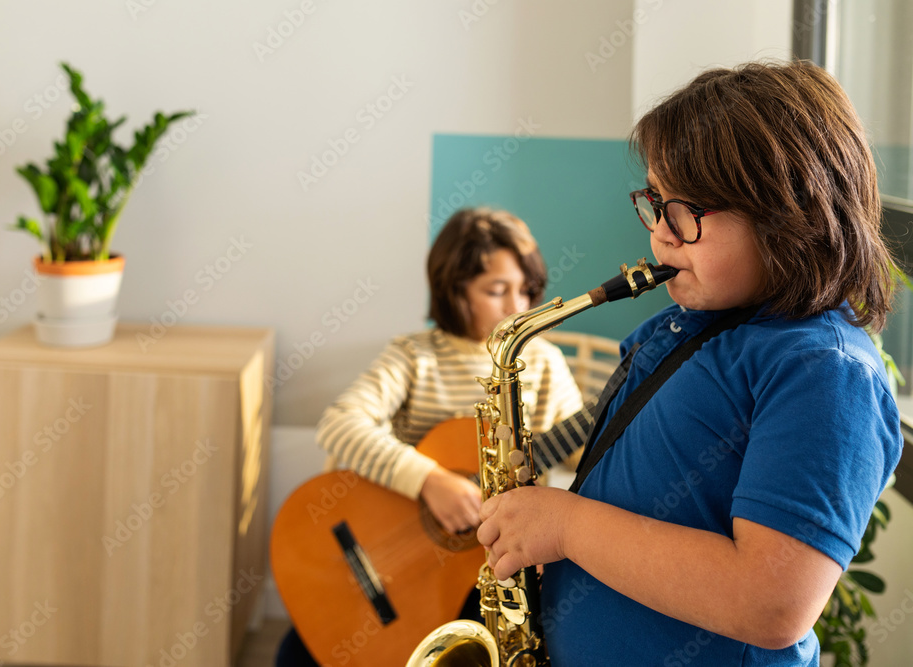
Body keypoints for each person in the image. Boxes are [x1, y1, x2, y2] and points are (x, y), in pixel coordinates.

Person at [477, 60, 903, 665]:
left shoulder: (824, 371)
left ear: (791, 215)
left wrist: (568, 528)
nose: (661, 235)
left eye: (688, 210)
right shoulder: (683, 325)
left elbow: (772, 603)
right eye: (656, 201)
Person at [275, 207, 583, 666]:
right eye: (496, 291)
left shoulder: (545, 363)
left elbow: (586, 458)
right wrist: (428, 480)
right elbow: (340, 423)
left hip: (488, 576)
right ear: (454, 291)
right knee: (296, 656)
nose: (518, 306)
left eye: (526, 290)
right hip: (398, 565)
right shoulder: (414, 356)